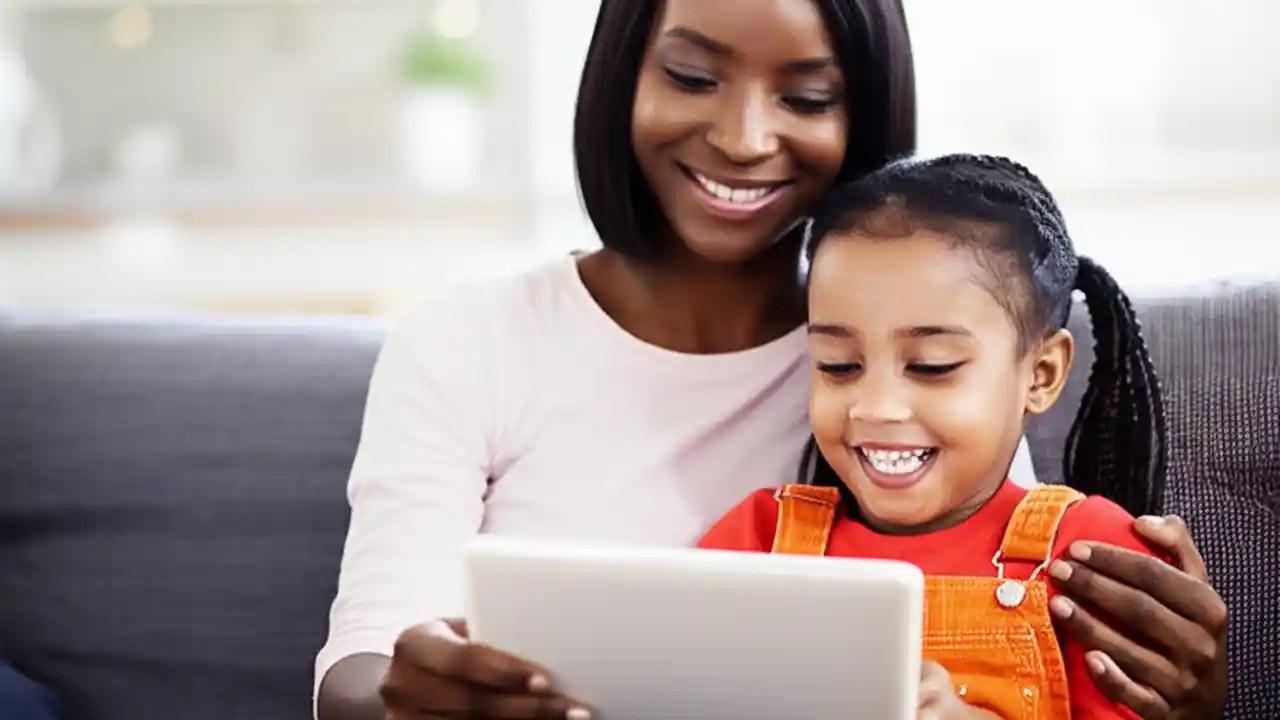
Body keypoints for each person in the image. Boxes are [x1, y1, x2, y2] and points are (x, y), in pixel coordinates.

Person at [316, 2, 1228, 719]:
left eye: (806, 95)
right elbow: (361, 664)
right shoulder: (471, 339)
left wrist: (1181, 703)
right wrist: (408, 695)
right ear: (622, 74)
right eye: (691, 74)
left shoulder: (945, 353)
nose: (746, 137)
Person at [698, 153, 1174, 718]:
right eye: (838, 365)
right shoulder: (759, 540)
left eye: (931, 366)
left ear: (1040, 375)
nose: (875, 408)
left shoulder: (1092, 556)